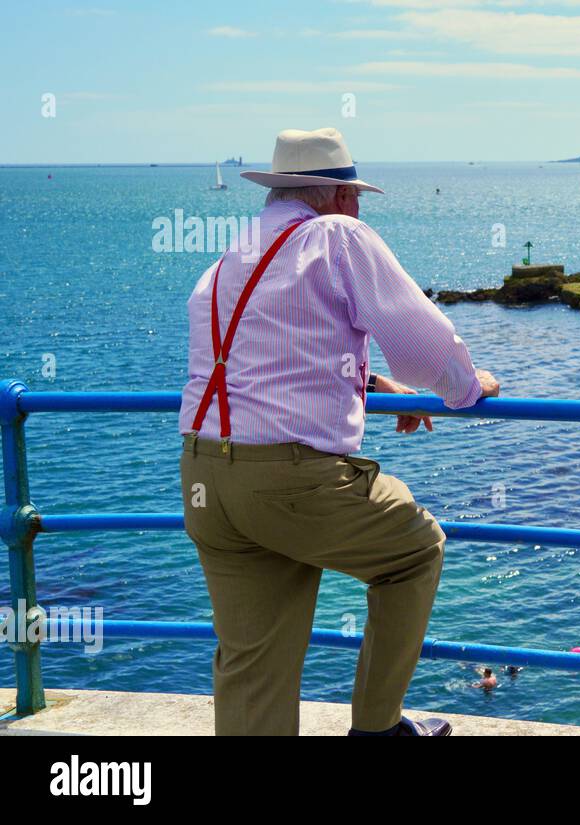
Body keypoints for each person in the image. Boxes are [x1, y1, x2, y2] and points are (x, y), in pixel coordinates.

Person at [180, 127, 501, 737]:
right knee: (414, 551)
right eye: (353, 193)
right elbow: (421, 339)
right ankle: (377, 730)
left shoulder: (232, 257)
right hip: (289, 480)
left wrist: (370, 383)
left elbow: (259, 358)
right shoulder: (336, 235)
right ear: (328, 195)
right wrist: (470, 384)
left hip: (206, 478)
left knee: (254, 661)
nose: (358, 206)